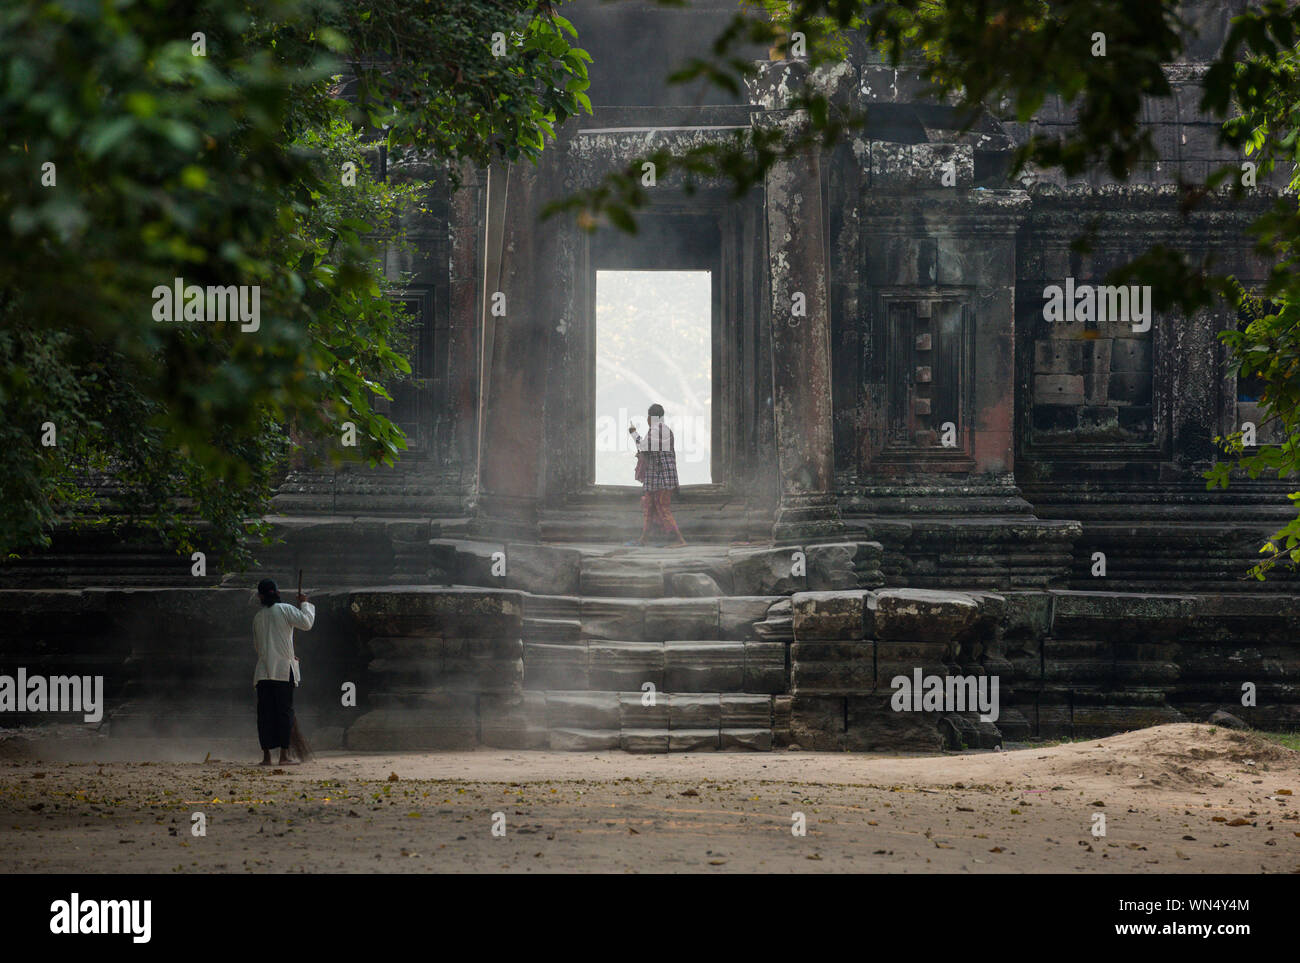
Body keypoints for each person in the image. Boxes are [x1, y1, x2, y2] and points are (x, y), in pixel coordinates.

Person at [252, 578, 315, 766]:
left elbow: (258, 647)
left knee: (264, 714)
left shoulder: (258, 617)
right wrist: (304, 603)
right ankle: (284, 756)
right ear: (277, 593)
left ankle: (266, 757)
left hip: (263, 672)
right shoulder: (286, 609)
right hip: (282, 670)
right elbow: (306, 623)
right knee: (284, 713)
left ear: (260, 597)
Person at [627, 403, 686, 547]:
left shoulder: (656, 430)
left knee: (662, 506)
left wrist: (633, 433)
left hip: (661, 477)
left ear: (651, 417)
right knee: (650, 506)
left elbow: (643, 447)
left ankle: (679, 540)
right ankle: (644, 539)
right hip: (658, 476)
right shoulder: (664, 430)